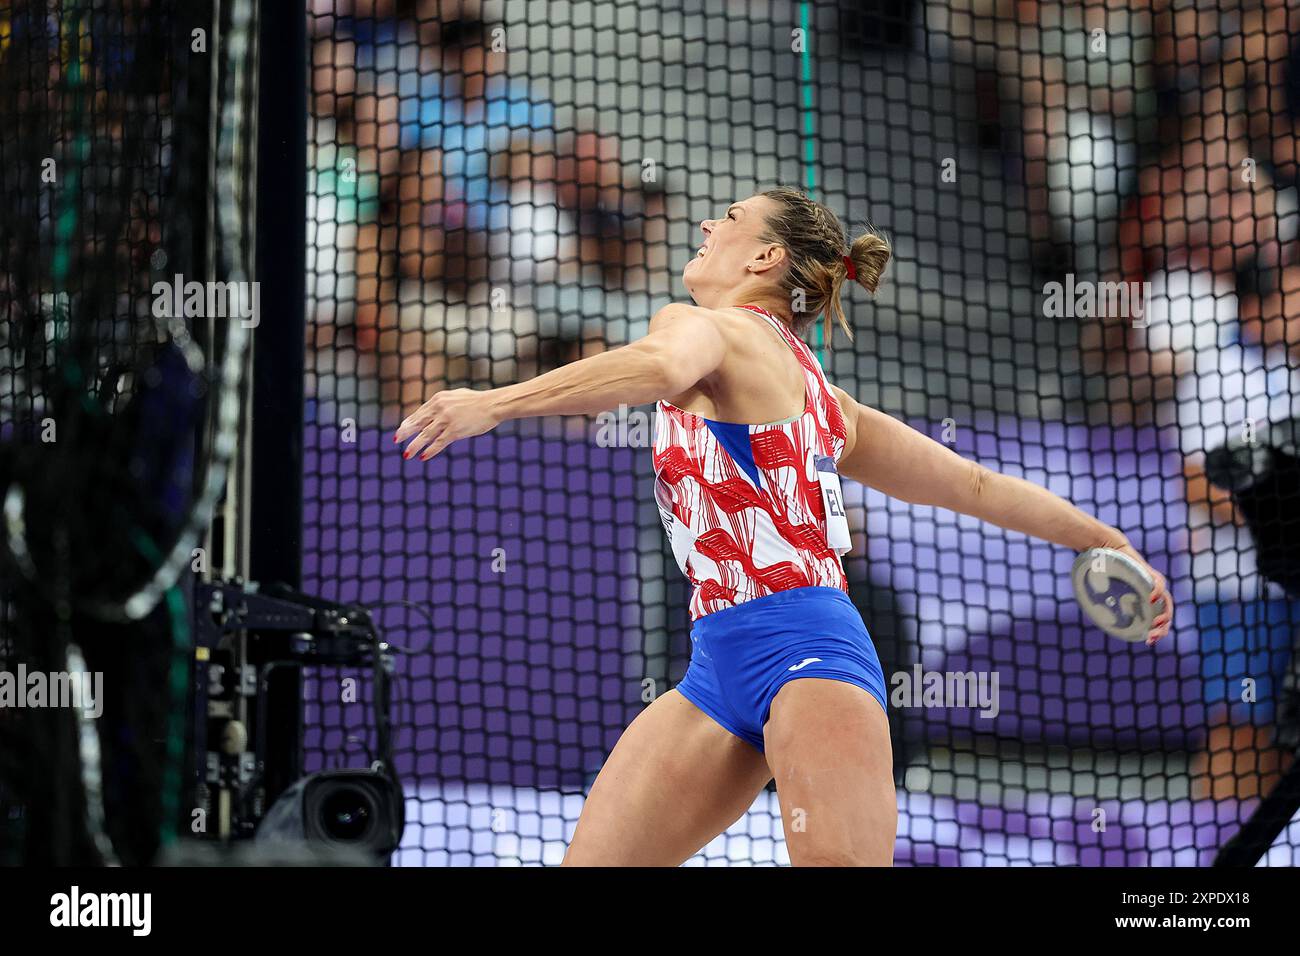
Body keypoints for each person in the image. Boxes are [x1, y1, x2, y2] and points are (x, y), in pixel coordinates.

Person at [394, 185, 1173, 866]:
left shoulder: (711, 330)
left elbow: (659, 368)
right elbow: (972, 484)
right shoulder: (828, 400)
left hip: (812, 657)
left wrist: (493, 402)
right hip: (716, 670)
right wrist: (1103, 539)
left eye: (729, 217)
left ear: (766, 257)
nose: (708, 225)